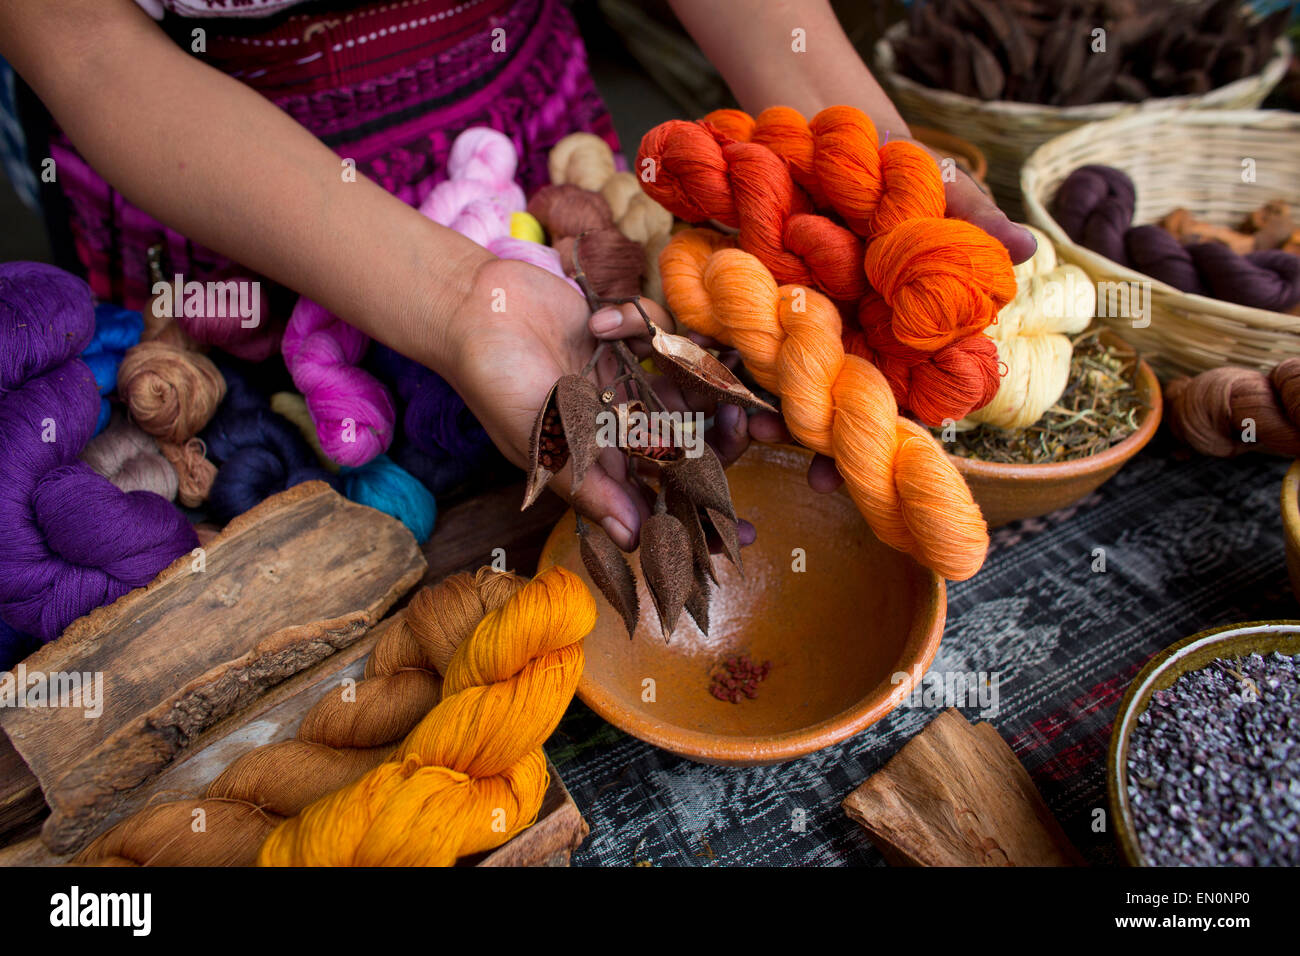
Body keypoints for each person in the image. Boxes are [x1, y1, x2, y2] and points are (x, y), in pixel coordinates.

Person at [0, 0, 1035, 551]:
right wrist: (459, 301)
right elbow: (88, 49)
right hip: (234, 191)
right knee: (252, 450)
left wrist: (868, 179)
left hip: (506, 137)